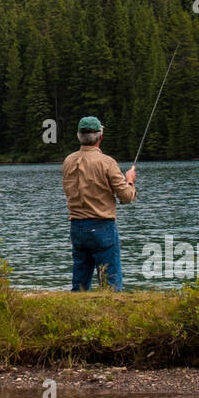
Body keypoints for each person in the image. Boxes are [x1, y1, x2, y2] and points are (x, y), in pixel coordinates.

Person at [61, 116, 137, 292]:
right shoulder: (106, 162)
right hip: (102, 226)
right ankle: (112, 312)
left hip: (76, 226)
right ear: (100, 137)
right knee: (111, 281)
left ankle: (77, 312)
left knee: (80, 281)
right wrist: (130, 180)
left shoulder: (68, 161)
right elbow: (126, 197)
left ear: (79, 136)